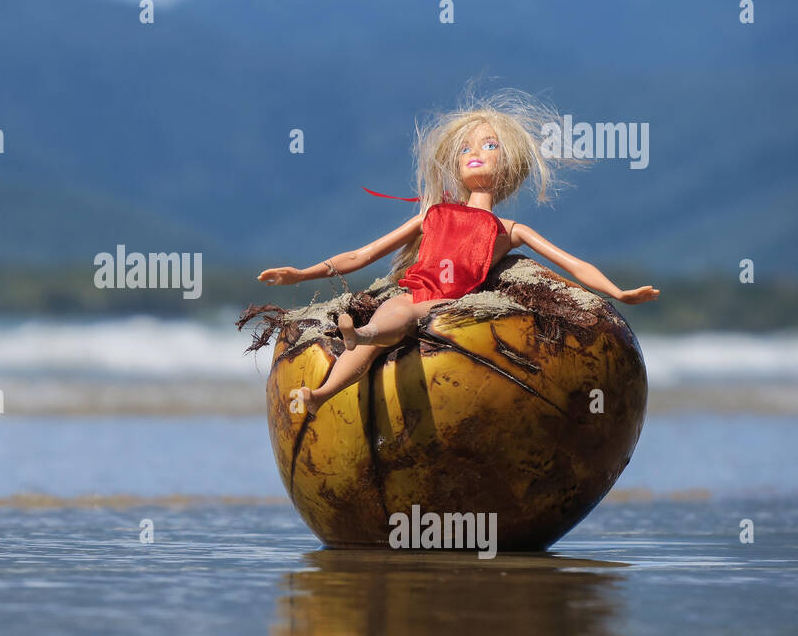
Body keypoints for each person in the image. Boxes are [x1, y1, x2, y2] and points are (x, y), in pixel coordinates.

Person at [256, 88, 659, 419]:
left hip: (450, 307)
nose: (474, 152)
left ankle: (361, 338)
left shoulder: (509, 230)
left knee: (404, 315)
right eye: (466, 147)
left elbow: (573, 264)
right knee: (397, 310)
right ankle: (325, 389)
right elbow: (363, 254)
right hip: (417, 292)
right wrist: (302, 273)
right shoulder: (433, 213)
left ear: (510, 162)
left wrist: (618, 293)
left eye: (488, 144)